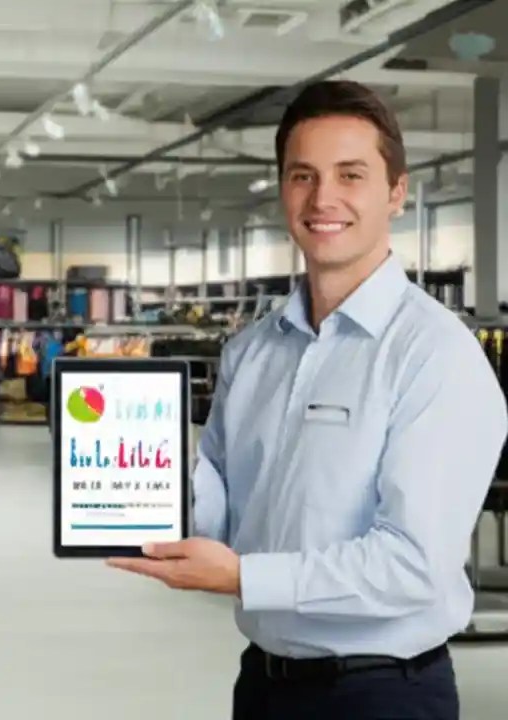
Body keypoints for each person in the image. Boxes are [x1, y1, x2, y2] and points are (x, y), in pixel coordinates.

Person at [107, 80, 508, 719]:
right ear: (282, 190)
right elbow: (224, 507)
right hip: (264, 686)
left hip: (383, 695)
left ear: (397, 193)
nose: (324, 199)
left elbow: (412, 565)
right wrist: (129, 478)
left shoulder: (434, 355)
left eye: (351, 174)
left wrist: (243, 578)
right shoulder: (253, 351)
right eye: (303, 176)